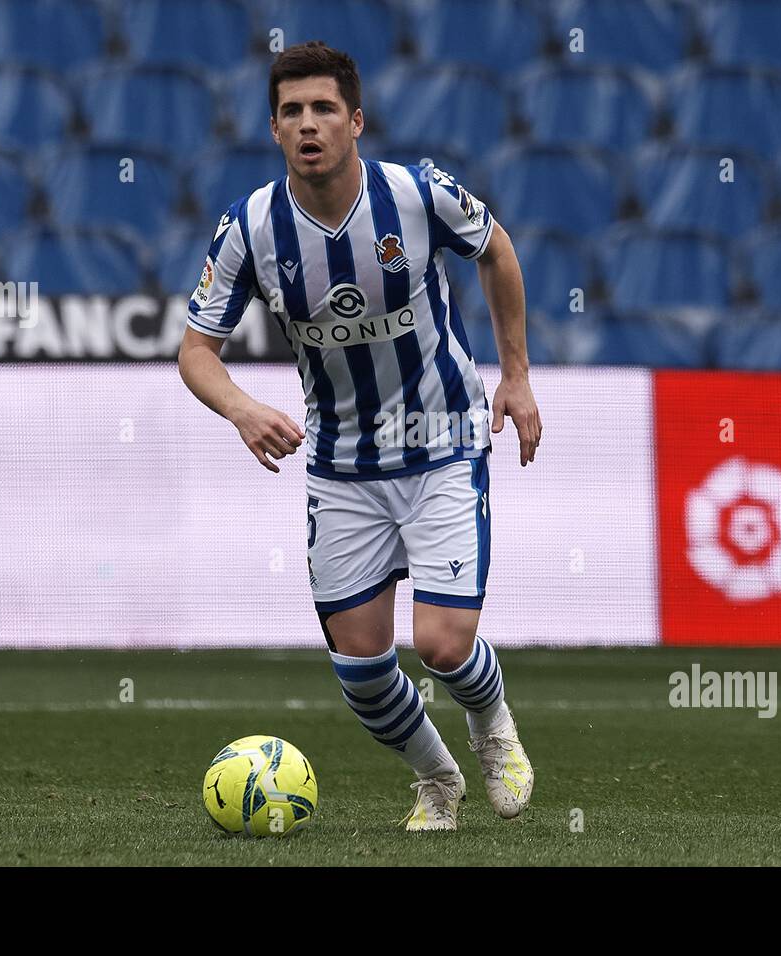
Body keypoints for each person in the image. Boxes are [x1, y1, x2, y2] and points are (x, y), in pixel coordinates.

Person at [178, 41, 541, 831]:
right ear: (273, 129)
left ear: (356, 121)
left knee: (442, 646)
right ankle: (437, 781)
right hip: (342, 465)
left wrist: (515, 374)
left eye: (324, 109)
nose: (309, 125)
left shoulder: (414, 193)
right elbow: (196, 350)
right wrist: (241, 407)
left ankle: (490, 725)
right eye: (292, 112)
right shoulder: (251, 227)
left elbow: (498, 249)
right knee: (363, 671)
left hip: (442, 440)